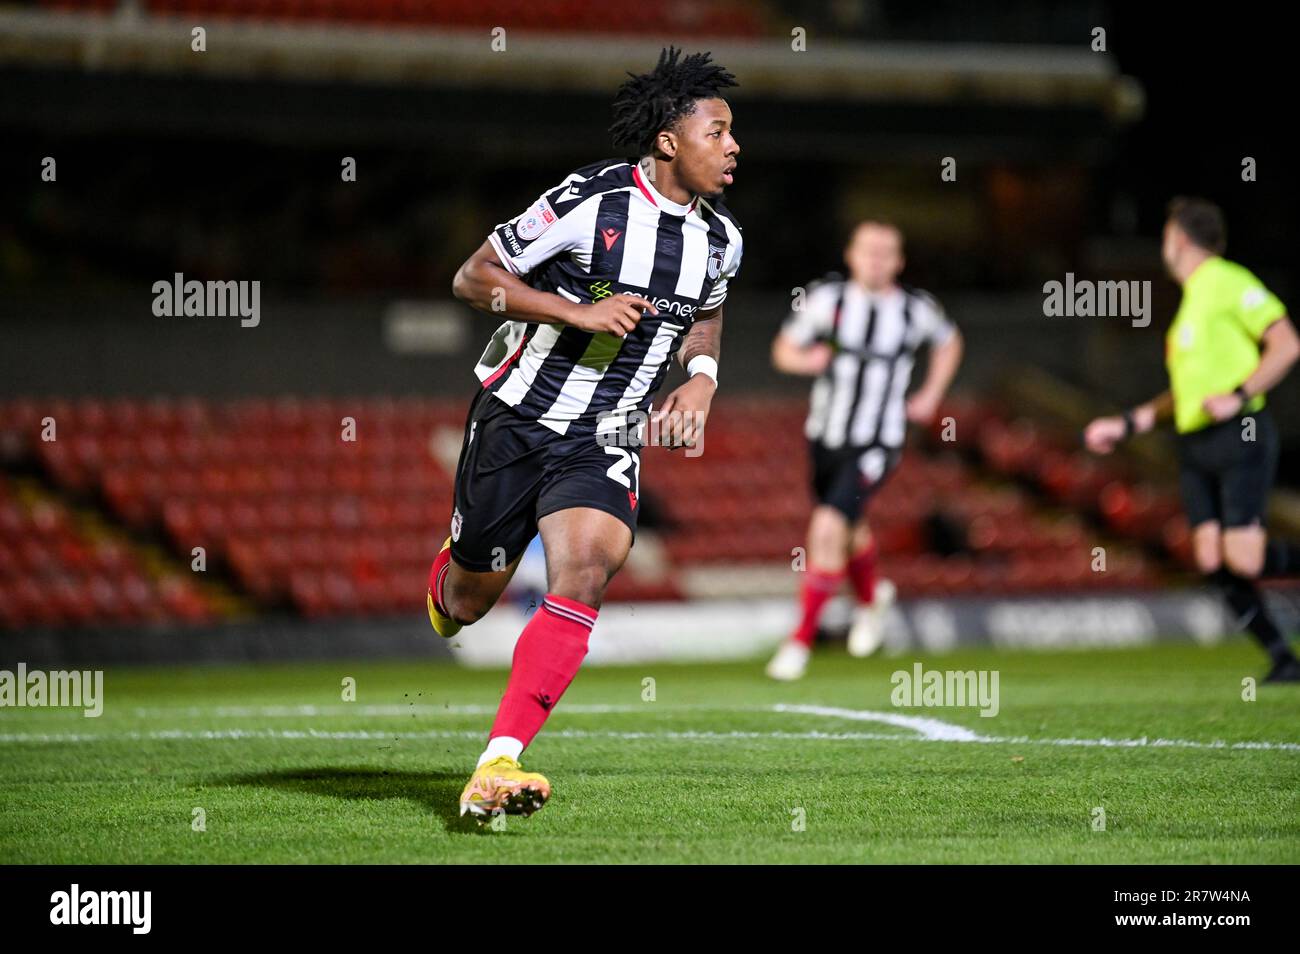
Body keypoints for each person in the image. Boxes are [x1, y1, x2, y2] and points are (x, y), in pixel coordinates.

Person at [427, 48, 744, 818]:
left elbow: (705, 313)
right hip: (517, 419)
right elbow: (473, 279)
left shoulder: (721, 242)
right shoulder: (588, 200)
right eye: (719, 131)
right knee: (467, 603)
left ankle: (498, 763)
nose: (734, 147)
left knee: (588, 568)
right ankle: (452, 572)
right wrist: (574, 311)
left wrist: (699, 381)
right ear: (669, 141)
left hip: (605, 434)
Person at [1084, 197, 1300, 683]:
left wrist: (1239, 395)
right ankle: (1284, 659)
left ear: (1178, 239)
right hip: (1195, 446)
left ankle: (1283, 656)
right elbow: (1182, 395)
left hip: (1237, 434)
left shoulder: (1228, 281)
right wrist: (1127, 423)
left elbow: (1287, 343)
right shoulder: (1191, 305)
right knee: (1208, 557)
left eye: (1165, 236)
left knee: (1241, 557)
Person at [766, 221, 962, 681]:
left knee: (829, 524)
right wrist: (805, 360)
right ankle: (872, 602)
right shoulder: (826, 300)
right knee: (850, 526)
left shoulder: (916, 309)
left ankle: (800, 641)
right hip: (825, 436)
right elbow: (783, 350)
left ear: (899, 261)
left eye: (886, 252)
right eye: (867, 250)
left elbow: (950, 342)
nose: (876, 259)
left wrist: (932, 395)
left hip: (880, 438)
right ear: (851, 255)